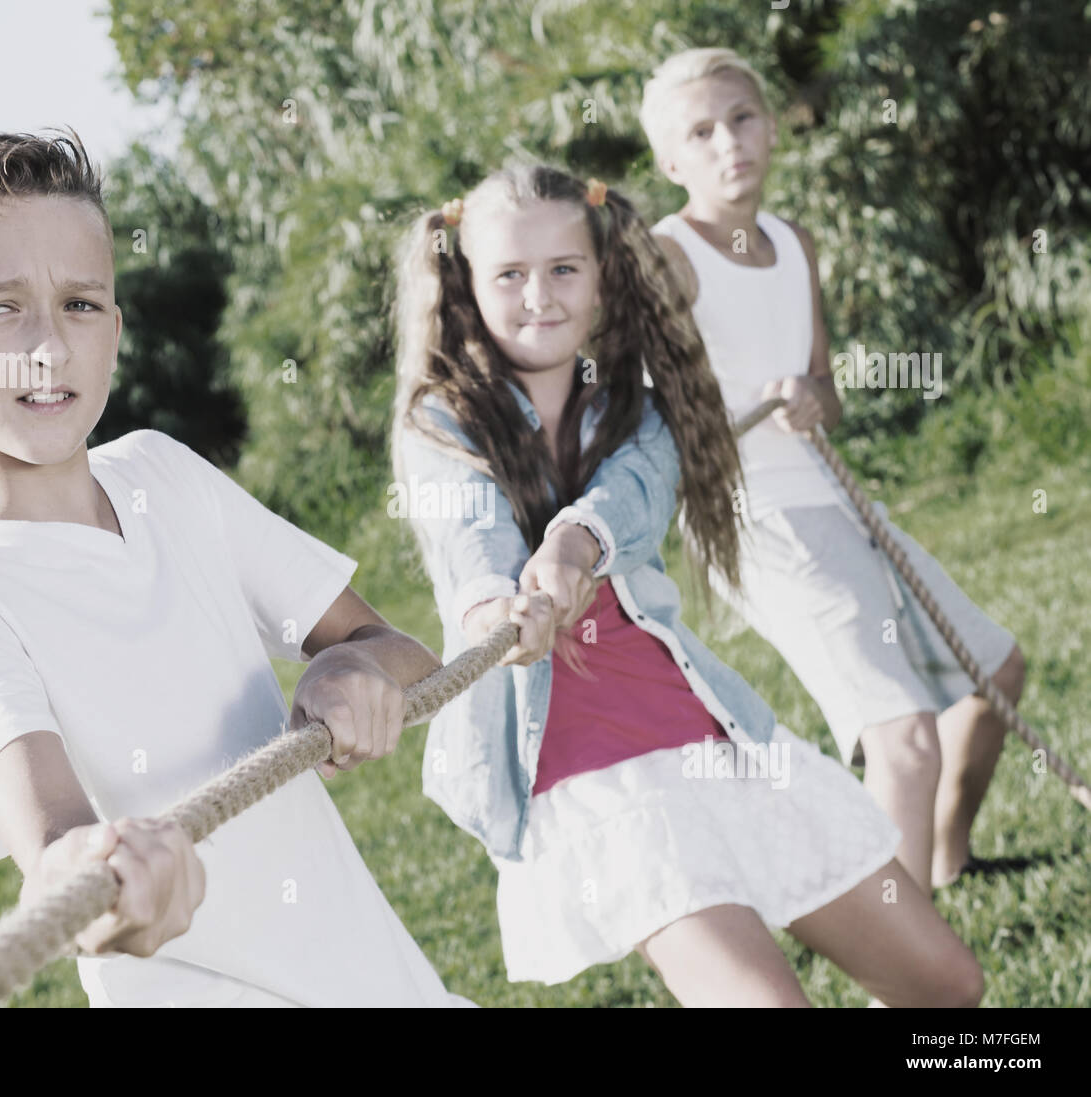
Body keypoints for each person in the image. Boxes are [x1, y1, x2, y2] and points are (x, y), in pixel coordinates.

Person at [0, 126, 475, 1007]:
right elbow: (56, 850)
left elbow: (403, 653)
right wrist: (102, 878)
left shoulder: (163, 473)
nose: (49, 346)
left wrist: (350, 666)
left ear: (115, 330)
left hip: (375, 980)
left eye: (81, 303)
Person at [389, 161, 985, 1006]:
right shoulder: (440, 422)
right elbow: (468, 535)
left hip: (706, 728)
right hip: (591, 774)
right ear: (468, 284)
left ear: (602, 276)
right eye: (510, 274)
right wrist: (496, 605)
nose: (539, 296)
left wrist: (572, 543)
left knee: (948, 984)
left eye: (564, 268)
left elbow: (635, 492)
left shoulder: (634, 407)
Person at [640, 48, 1026, 893]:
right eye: (699, 133)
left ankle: (946, 863)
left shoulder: (793, 243)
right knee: (904, 738)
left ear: (771, 127)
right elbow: (635, 402)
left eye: (742, 117)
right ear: (671, 163)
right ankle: (907, 952)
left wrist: (815, 395)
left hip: (834, 497)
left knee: (995, 671)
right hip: (759, 517)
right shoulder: (666, 258)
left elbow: (828, 391)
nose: (727, 142)